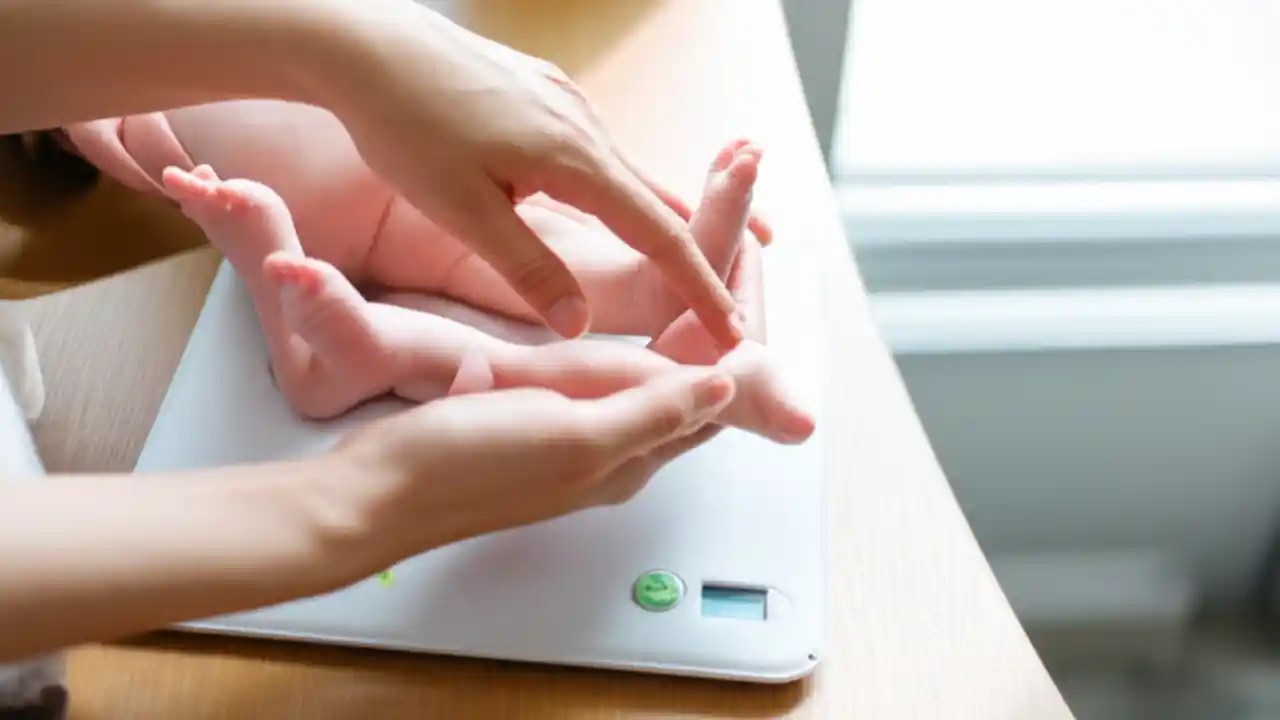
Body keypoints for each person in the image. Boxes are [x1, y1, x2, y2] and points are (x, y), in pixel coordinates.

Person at [0, 0, 766, 690]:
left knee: (504, 266)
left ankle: (631, 305)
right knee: (482, 289)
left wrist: (356, 42)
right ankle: (605, 328)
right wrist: (354, 505)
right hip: (262, 134)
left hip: (302, 136)